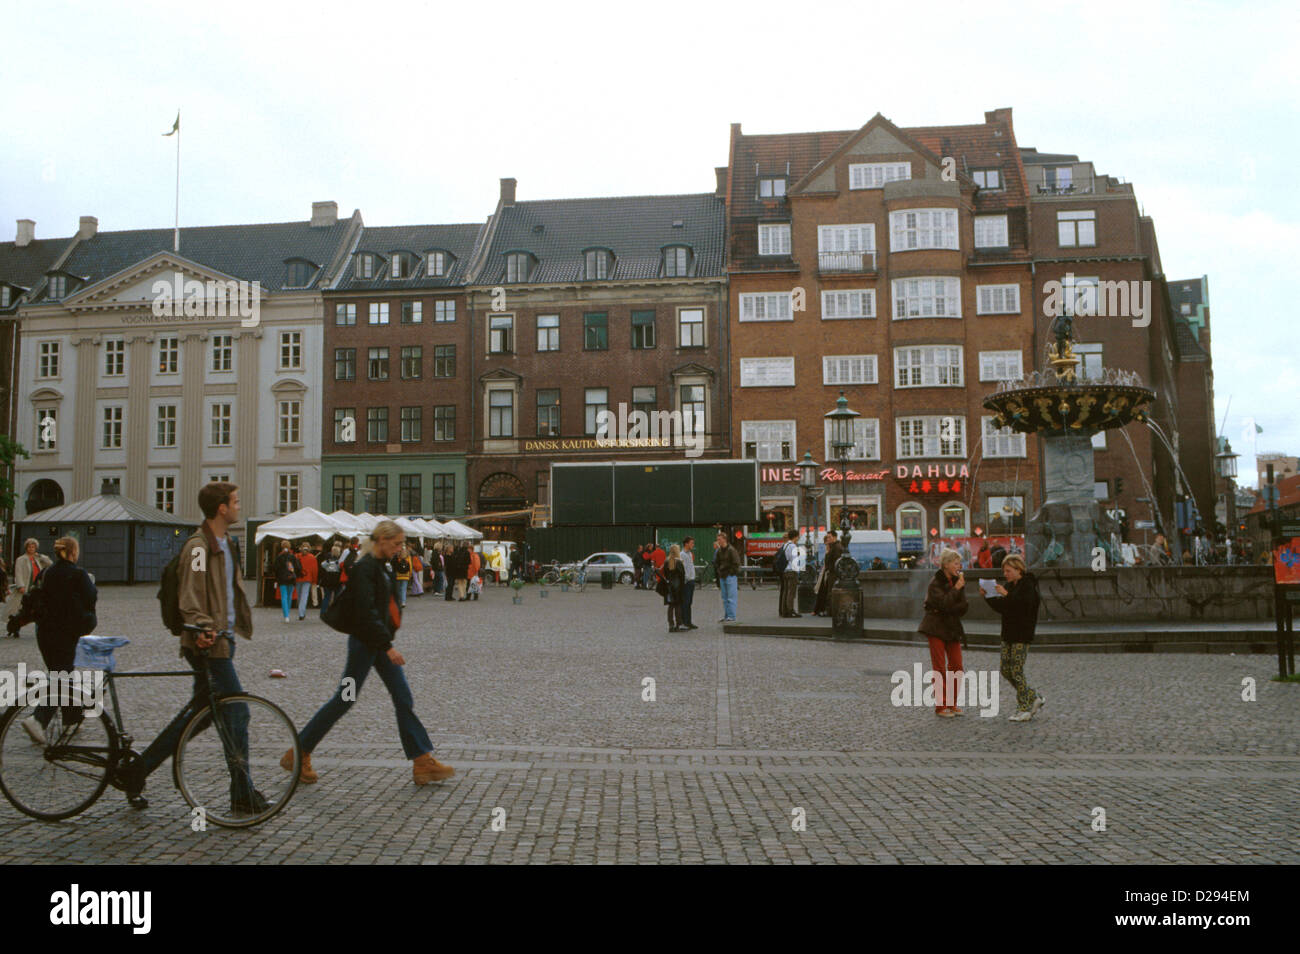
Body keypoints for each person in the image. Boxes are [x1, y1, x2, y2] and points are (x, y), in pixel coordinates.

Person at [119, 481, 260, 812]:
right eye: (236, 502)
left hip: (223, 640)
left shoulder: (226, 543)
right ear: (221, 508)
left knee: (201, 715)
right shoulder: (198, 547)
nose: (240, 506)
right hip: (207, 644)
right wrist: (204, 627)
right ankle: (242, 795)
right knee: (237, 711)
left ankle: (137, 770)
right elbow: (191, 596)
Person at [284, 520, 454, 787]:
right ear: (382, 541)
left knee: (402, 697)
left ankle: (422, 761)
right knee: (345, 698)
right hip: (364, 647)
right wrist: (388, 646)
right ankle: (299, 752)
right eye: (396, 544)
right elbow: (366, 613)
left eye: (401, 544)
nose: (399, 549)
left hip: (376, 645)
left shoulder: (380, 566)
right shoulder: (364, 568)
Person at [21, 537, 97, 742]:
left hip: (44, 633)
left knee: (62, 673)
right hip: (66, 633)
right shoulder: (79, 574)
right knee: (62, 677)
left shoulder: (47, 572)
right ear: (73, 552)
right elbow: (91, 597)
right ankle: (38, 719)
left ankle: (72, 719)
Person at [983, 554, 1045, 722]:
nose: (1006, 574)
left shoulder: (1028, 586)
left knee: (1016, 670)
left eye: (1008, 570)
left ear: (1019, 569)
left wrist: (1006, 594)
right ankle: (1033, 696)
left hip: (1022, 635)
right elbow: (1004, 607)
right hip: (1008, 634)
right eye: (1004, 571)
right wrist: (988, 597)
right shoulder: (1009, 586)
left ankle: (1024, 708)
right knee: (1005, 670)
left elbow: (1023, 607)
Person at [918, 548, 968, 718]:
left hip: (951, 626)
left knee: (957, 665)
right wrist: (955, 592)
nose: (959, 566)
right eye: (956, 563)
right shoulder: (935, 583)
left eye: (959, 563)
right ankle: (941, 705)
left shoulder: (957, 581)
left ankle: (952, 703)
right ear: (946, 564)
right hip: (936, 626)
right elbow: (946, 604)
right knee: (939, 667)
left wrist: (954, 597)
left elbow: (963, 606)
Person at [7, 538, 52, 638]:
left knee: (36, 608)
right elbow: (18, 573)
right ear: (26, 548)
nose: (31, 549)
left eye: (33, 547)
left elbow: (50, 564)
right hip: (25, 586)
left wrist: (40, 556)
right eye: (29, 547)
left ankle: (38, 627)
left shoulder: (38, 559)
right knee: (20, 610)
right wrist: (20, 585)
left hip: (35, 588)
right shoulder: (21, 559)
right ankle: (15, 627)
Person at [657, 544, 687, 632]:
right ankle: (678, 624)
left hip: (669, 586)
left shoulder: (667, 561)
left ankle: (671, 624)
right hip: (677, 586)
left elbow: (664, 574)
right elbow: (682, 575)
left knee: (671, 606)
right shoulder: (679, 562)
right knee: (678, 606)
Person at [813, 531, 842, 617]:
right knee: (829, 592)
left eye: (829, 537)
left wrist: (829, 569)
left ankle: (830, 611)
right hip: (832, 573)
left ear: (834, 537)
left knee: (831, 592)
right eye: (827, 537)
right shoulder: (834, 547)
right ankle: (829, 610)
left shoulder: (836, 548)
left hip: (833, 573)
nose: (828, 539)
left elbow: (834, 562)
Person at [714, 531, 740, 623]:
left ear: (724, 539)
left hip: (730, 576)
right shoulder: (719, 551)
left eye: (719, 540)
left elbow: (736, 563)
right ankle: (727, 615)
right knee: (725, 597)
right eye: (717, 540)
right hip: (722, 576)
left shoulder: (731, 550)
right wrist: (719, 571)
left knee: (731, 597)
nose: (718, 541)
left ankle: (731, 616)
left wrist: (731, 573)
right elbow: (716, 562)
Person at [273, 541, 301, 623]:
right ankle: (287, 613)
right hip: (291, 579)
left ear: (282, 547)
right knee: (289, 596)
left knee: (284, 597)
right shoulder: (293, 557)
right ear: (290, 547)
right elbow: (298, 567)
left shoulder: (279, 557)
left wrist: (278, 576)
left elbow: (275, 568)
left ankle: (286, 616)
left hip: (282, 579)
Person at [777, 530, 801, 618]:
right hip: (791, 571)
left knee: (785, 591)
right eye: (798, 536)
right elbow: (794, 560)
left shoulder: (786, 545)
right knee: (791, 592)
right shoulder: (793, 546)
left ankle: (784, 611)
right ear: (795, 537)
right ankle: (790, 610)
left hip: (785, 571)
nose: (798, 538)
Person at [679, 537, 698, 630]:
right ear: (686, 544)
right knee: (685, 602)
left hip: (691, 580)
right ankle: (684, 621)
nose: (693, 545)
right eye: (691, 543)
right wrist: (687, 579)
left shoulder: (690, 554)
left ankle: (689, 621)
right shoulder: (682, 555)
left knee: (689, 602)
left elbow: (691, 567)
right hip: (686, 582)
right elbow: (684, 569)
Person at [318, 543, 343, 615]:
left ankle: (323, 612)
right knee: (336, 597)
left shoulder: (327, 561)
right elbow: (340, 568)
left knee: (327, 597)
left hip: (328, 580)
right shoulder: (339, 562)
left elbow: (322, 565)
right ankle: (335, 612)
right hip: (337, 580)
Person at [295, 542, 317, 620]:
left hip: (298, 578)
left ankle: (301, 611)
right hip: (307, 578)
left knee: (299, 595)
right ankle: (301, 613)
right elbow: (315, 570)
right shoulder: (312, 557)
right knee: (305, 595)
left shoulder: (296, 556)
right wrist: (314, 580)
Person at [393, 545, 412, 609]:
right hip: (406, 576)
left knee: (398, 589)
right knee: (404, 589)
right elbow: (410, 567)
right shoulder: (408, 558)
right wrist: (410, 574)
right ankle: (403, 602)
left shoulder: (398, 558)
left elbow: (394, 567)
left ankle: (398, 601)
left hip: (398, 576)